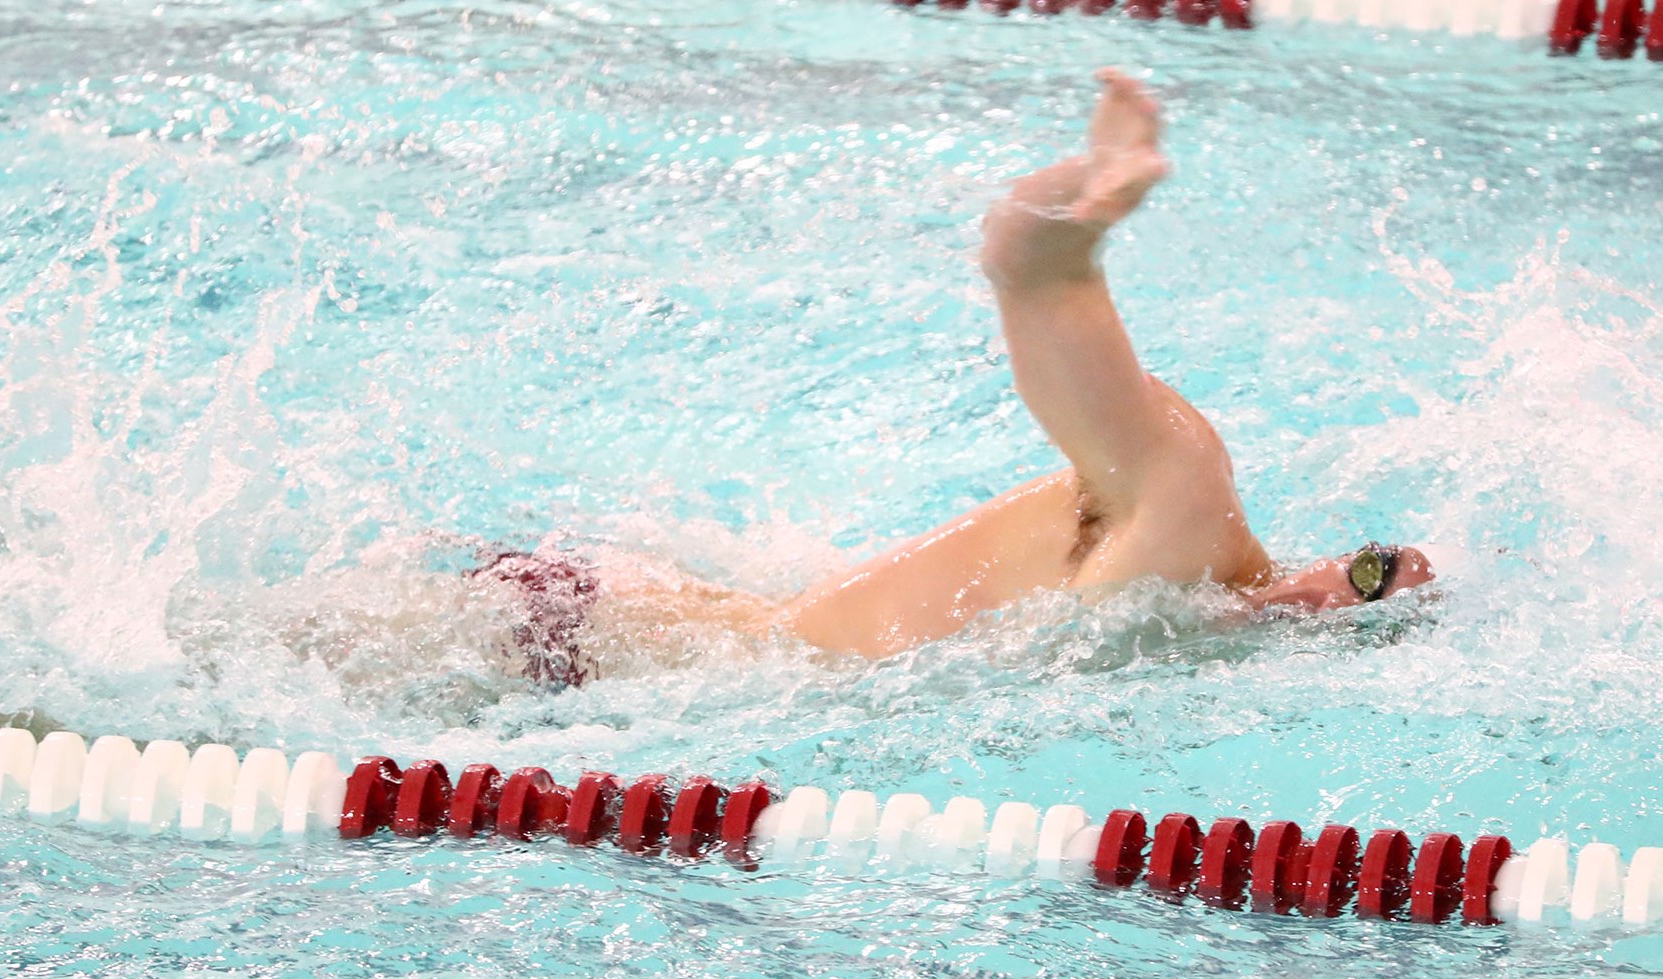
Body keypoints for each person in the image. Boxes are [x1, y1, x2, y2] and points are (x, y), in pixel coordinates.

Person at [477, 68, 1434, 686]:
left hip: (611, 640)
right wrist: (1069, 227)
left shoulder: (1176, 636)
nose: (1336, 609)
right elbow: (1031, 279)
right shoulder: (1186, 513)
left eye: (1370, 622)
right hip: (571, 636)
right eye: (1372, 573)